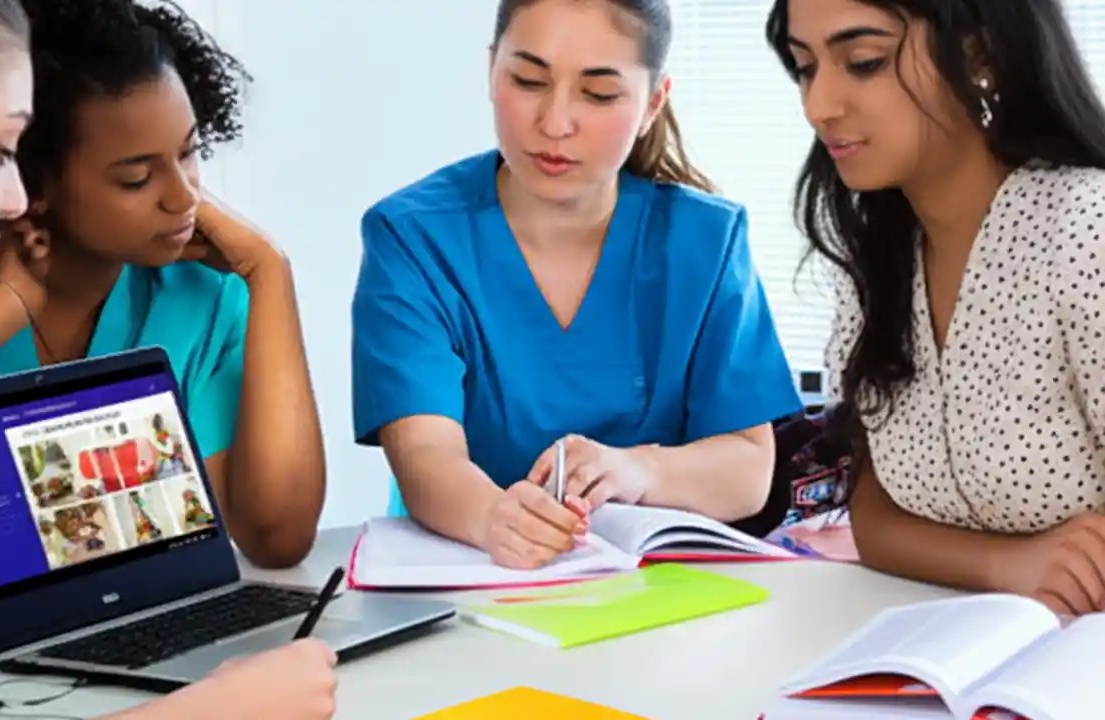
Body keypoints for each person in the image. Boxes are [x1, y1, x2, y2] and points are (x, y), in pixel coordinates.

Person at [0, 1, 335, 718]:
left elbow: (278, 535)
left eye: (190, 154)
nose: (185, 199)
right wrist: (4, 304)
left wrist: (270, 273)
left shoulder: (202, 297)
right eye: (135, 178)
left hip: (107, 650)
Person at [352, 0, 801, 571]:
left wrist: (639, 469)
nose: (555, 123)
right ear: (492, 71)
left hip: (665, 601)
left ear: (652, 103)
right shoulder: (413, 237)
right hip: (476, 578)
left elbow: (748, 471)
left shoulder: (705, 241)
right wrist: (495, 519)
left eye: (599, 94)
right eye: (528, 80)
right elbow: (424, 454)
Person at [769, 0, 1105, 615]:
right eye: (805, 67)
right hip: (944, 651)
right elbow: (872, 517)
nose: (819, 106)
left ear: (977, 54)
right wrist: (1010, 565)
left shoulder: (1087, 231)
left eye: (863, 62)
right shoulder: (876, 261)